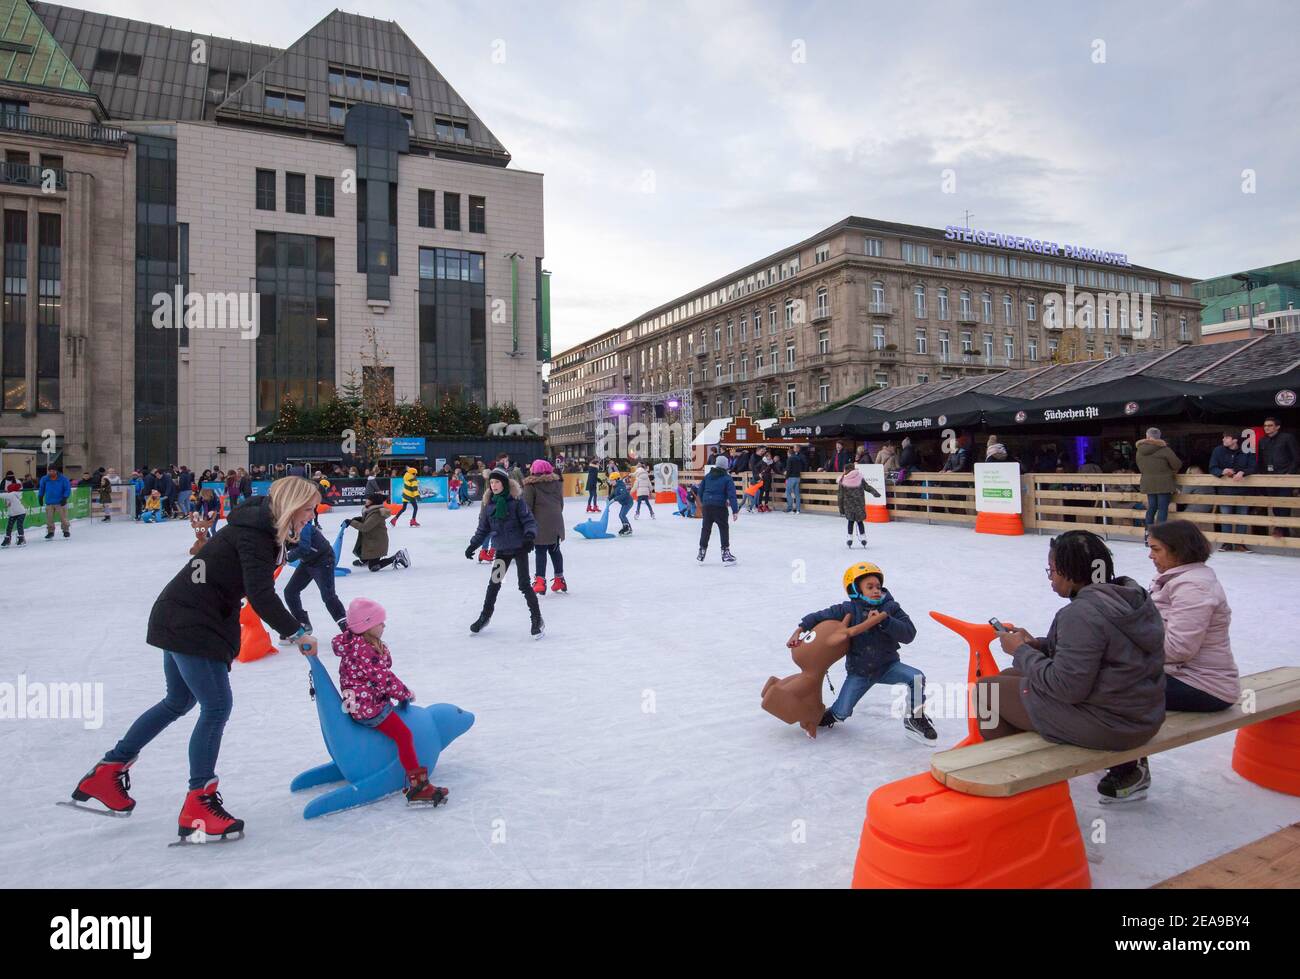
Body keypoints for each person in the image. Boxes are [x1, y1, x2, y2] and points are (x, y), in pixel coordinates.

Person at [69, 477, 322, 838]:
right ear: (294, 504)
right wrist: (297, 632)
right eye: (309, 508)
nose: (312, 515)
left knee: (178, 700)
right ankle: (198, 804)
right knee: (216, 706)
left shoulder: (256, 527)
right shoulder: (256, 533)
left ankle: (108, 772)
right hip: (191, 620)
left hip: (180, 613)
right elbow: (261, 595)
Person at [979, 531, 1166, 763]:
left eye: (1052, 570)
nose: (1050, 578)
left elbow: (1067, 687)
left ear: (1071, 573)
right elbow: (1106, 649)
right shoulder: (1130, 596)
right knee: (1009, 676)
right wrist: (1040, 646)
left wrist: (1020, 651)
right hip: (1141, 713)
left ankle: (1005, 771)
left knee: (987, 691)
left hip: (1112, 724)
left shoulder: (1081, 614)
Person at [1096, 520, 1241, 802]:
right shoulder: (1178, 579)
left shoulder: (1194, 588)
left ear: (1179, 551)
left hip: (1205, 686)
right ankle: (1119, 754)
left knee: (1116, 691)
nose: (1151, 555)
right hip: (1183, 675)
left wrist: (1124, 646)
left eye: (1156, 549)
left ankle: (1131, 769)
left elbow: (1178, 647)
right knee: (1106, 678)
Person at [794, 561, 935, 744]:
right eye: (869, 587)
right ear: (855, 590)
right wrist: (800, 629)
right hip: (860, 672)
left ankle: (915, 718)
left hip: (888, 666)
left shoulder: (891, 608)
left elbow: (909, 634)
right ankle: (824, 717)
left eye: (878, 586)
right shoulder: (848, 610)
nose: (876, 590)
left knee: (916, 677)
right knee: (840, 713)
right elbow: (820, 616)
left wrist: (886, 621)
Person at [326, 598, 447, 806]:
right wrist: (404, 693)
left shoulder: (356, 644)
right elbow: (384, 679)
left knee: (402, 732)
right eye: (380, 622)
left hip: (360, 702)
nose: (384, 625)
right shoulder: (363, 650)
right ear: (367, 624)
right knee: (404, 735)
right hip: (369, 708)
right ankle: (418, 786)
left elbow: (383, 667)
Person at [465, 468, 543, 638]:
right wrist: (473, 546)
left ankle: (537, 619)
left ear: (504, 483)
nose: (493, 485)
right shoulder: (489, 504)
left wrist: (530, 536)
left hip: (519, 548)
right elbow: (483, 529)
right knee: (494, 584)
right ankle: (484, 617)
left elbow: (530, 521)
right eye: (491, 482)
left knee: (524, 584)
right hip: (501, 551)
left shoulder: (516, 501)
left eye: (497, 482)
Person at [282, 517, 350, 637]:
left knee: (328, 595)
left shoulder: (303, 525)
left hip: (323, 561)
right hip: (307, 561)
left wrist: (286, 557)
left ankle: (347, 628)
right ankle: (302, 623)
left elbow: (304, 548)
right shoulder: (284, 527)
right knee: (290, 592)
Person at [522, 458, 567, 595]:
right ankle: (560, 579)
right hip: (556, 522)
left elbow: (527, 507)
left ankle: (540, 581)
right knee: (555, 550)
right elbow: (561, 504)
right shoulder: (557, 483)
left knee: (540, 551)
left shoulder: (531, 485)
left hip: (539, 524)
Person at [1207, 431, 1256, 549]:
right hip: (1225, 489)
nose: (1223, 439)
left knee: (1242, 516)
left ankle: (1240, 543)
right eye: (1223, 437)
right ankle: (1227, 543)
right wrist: (1222, 472)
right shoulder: (1218, 450)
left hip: (1243, 490)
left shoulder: (1246, 450)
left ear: (1235, 440)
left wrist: (1243, 472)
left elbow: (1253, 466)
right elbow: (1212, 467)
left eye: (1227, 437)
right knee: (1226, 516)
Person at [345, 493, 410, 572]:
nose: (366, 500)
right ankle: (365, 560)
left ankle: (398, 556)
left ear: (373, 502)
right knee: (361, 550)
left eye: (368, 499)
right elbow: (367, 520)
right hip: (372, 540)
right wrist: (357, 519)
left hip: (377, 543)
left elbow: (365, 527)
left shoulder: (377, 513)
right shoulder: (370, 510)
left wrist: (351, 522)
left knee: (373, 567)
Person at [1260, 416, 1299, 539]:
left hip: (1285, 476)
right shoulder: (1263, 441)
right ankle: (1283, 531)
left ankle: (1280, 529)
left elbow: (1296, 457)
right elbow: (1262, 460)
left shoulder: (1287, 438)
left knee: (1284, 503)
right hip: (1270, 478)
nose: (1267, 428)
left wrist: (1290, 473)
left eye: (1270, 425)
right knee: (1275, 505)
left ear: (1277, 426)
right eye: (1265, 425)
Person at [1136, 427, 1182, 532]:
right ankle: (1159, 534)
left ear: (1147, 436)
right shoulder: (1165, 449)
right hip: (1164, 483)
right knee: (1162, 509)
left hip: (1148, 482)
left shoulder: (1139, 451)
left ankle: (1148, 534)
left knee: (1151, 508)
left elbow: (1139, 466)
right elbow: (1177, 464)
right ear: (1159, 437)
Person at [696, 455, 739, 565]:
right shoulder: (727, 478)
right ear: (726, 466)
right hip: (720, 507)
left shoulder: (708, 476)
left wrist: (704, 502)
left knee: (706, 529)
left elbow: (700, 492)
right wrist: (735, 510)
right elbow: (732, 495)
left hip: (707, 507)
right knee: (723, 528)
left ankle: (701, 552)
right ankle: (725, 554)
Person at [837, 466, 872, 548]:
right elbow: (867, 487)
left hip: (849, 505)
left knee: (851, 521)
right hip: (858, 505)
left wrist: (841, 508)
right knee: (859, 522)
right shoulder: (859, 478)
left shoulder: (843, 480)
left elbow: (840, 496)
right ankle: (863, 537)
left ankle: (850, 538)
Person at [38, 465, 72, 539]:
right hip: (49, 502)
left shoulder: (63, 479)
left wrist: (65, 497)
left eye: (53, 471)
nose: (51, 472)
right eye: (50, 471)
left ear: (56, 471)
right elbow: (41, 488)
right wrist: (40, 497)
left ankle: (66, 530)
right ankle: (50, 532)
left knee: (63, 517)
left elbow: (67, 489)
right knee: (49, 518)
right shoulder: (45, 479)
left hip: (60, 502)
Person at [1, 472, 26, 547]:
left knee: (19, 525)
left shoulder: (11, 495)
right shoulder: (13, 495)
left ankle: (21, 538)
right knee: (9, 526)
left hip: (20, 513)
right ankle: (7, 539)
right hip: (13, 513)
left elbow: (2, 495)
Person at [608, 471, 634, 535]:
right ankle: (625, 527)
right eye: (610, 480)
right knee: (621, 515)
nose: (610, 482)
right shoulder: (616, 487)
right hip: (624, 503)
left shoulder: (621, 486)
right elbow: (613, 494)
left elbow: (624, 495)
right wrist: (608, 499)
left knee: (622, 515)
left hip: (628, 503)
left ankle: (628, 528)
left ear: (616, 480)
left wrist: (614, 499)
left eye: (612, 480)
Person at [783, 446, 805, 513]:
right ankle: (798, 509)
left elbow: (788, 469)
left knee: (787, 493)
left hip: (791, 478)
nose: (787, 455)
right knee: (797, 494)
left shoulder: (790, 459)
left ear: (789, 453)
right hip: (797, 477)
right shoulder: (798, 458)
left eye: (787, 454)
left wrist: (786, 477)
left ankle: (790, 507)